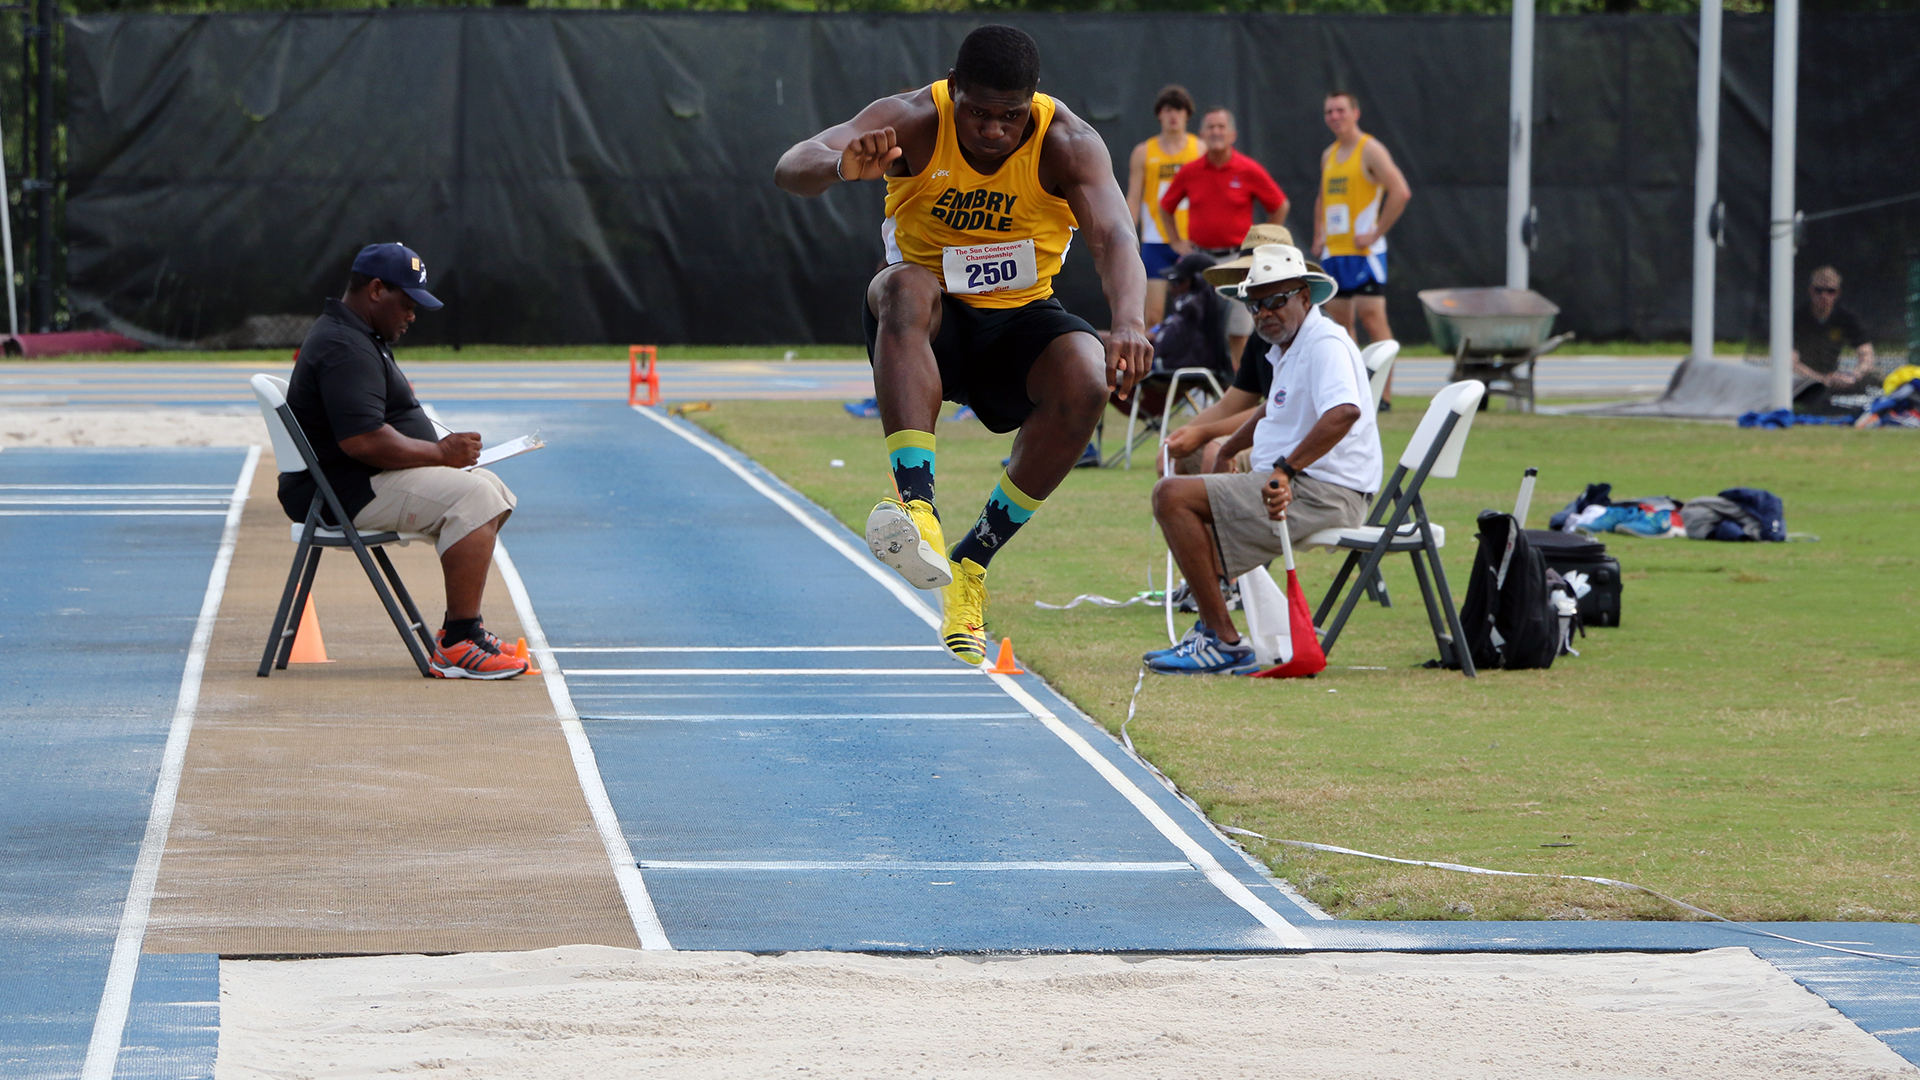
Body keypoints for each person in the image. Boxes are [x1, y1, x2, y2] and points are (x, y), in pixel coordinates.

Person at [774, 24, 1151, 666]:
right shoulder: (915, 119)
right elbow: (791, 167)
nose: (995, 131)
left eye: (1010, 117)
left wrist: (1131, 321)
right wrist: (841, 166)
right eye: (979, 114)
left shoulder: (1068, 143)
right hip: (927, 325)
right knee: (906, 287)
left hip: (1019, 324)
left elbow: (1115, 236)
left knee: (1087, 375)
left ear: (1031, 102)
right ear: (954, 92)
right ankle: (917, 506)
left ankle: (972, 563)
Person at [278, 243, 527, 680]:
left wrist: (442, 451)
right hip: (345, 490)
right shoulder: (344, 347)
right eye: (408, 304)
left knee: (493, 490)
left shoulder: (355, 335)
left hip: (354, 481)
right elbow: (363, 440)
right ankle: (457, 645)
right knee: (476, 500)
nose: (412, 316)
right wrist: (439, 454)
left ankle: (463, 630)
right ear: (377, 290)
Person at [1146, 244, 1381, 675]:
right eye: (1255, 305)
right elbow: (1271, 409)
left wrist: (1285, 470)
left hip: (1324, 492)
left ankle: (1222, 639)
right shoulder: (1288, 347)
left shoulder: (1324, 342)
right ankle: (1213, 628)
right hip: (1305, 483)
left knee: (1172, 497)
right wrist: (1231, 448)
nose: (1264, 313)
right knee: (1183, 496)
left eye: (1277, 300)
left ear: (1305, 297)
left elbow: (1344, 412)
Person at [1158, 223, 1300, 476]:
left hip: (1301, 448)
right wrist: (1177, 437)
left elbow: (1279, 410)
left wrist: (1203, 434)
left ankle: (1230, 515)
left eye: (1258, 274)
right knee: (1178, 456)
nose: (1249, 284)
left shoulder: (1311, 337)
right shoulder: (1262, 336)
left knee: (1214, 452)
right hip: (1275, 434)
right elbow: (1229, 405)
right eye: (1247, 275)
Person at [1160, 108, 1288, 364]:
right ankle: (1204, 391)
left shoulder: (1248, 169)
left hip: (1237, 263)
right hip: (1200, 263)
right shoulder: (1191, 171)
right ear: (1202, 134)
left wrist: (1261, 245)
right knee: (1199, 327)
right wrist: (1176, 240)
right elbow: (1166, 206)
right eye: (1211, 127)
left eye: (1221, 127)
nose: (1216, 132)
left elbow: (1279, 206)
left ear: (1232, 134)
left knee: (1238, 331)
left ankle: (1238, 393)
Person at [1313, 91, 1411, 408]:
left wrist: (1376, 231)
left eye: (1341, 110)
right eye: (1329, 111)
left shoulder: (1370, 149)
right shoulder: (1329, 154)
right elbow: (1322, 198)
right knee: (1341, 327)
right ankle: (1355, 389)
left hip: (1364, 255)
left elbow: (1400, 191)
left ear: (1355, 112)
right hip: (1336, 253)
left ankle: (1383, 394)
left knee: (1372, 319)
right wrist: (1319, 235)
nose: (1335, 116)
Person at [1125, 85, 1201, 329]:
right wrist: (1127, 236)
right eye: (1168, 109)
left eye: (1179, 110)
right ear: (1159, 114)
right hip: (1155, 242)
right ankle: (1149, 366)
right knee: (1152, 315)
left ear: (1187, 115)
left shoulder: (1199, 149)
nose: (1173, 115)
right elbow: (1134, 197)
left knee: (1196, 311)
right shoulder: (1144, 152)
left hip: (1190, 241)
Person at [1794, 266, 1877, 392]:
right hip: (1801, 378)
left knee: (1875, 376)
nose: (1824, 295)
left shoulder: (1845, 318)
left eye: (1830, 291)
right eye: (1818, 290)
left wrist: (1853, 376)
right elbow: (1789, 362)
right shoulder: (1798, 318)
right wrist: (1821, 379)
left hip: (1832, 375)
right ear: (1811, 291)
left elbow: (1866, 354)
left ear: (1837, 293)